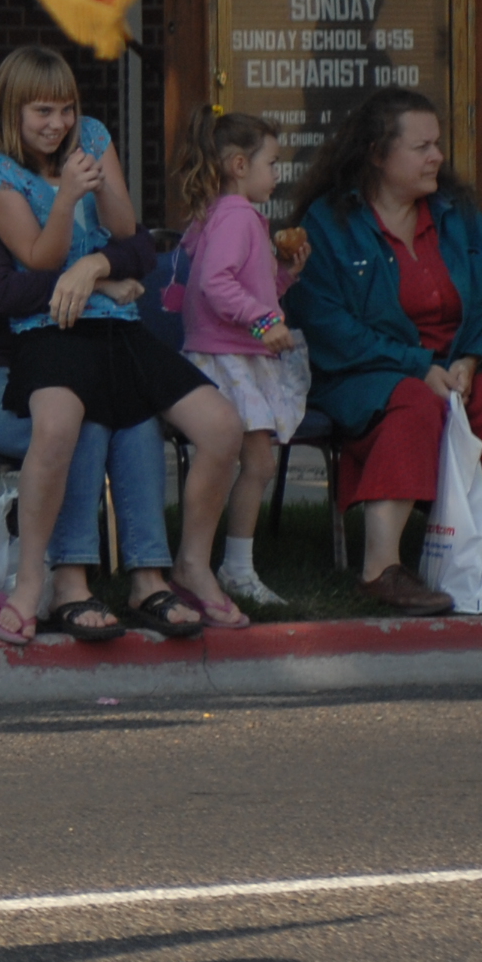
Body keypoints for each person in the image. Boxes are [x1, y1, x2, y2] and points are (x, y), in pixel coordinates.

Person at [0, 46, 249, 636]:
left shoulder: (90, 137)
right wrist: (68, 197)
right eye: (42, 111)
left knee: (222, 426)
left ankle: (192, 565)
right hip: (50, 327)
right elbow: (40, 259)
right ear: (14, 110)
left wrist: (98, 250)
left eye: (66, 109)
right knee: (61, 424)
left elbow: (127, 231)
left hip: (117, 323)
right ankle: (33, 581)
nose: (58, 124)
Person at [285, 88, 482, 613]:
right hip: (368, 370)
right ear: (377, 154)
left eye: (437, 144)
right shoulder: (328, 224)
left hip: (460, 363)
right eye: (421, 146)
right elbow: (328, 327)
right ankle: (381, 569)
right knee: (414, 404)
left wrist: (472, 358)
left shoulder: (460, 215)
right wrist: (419, 365)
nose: (437, 156)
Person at [0, 180, 182, 643]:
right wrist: (97, 283)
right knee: (79, 420)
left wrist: (96, 263)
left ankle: (148, 575)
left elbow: (141, 247)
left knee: (129, 409)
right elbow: (1, 292)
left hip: (49, 368)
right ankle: (68, 579)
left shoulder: (57, 195)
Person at [172, 106, 308, 610]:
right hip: (228, 357)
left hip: (235, 352)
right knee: (257, 463)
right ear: (237, 165)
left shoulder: (226, 214)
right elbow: (216, 284)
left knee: (256, 464)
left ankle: (232, 563)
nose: (279, 174)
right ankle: (235, 567)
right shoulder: (237, 216)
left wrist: (284, 277)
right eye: (272, 163)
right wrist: (263, 321)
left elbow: (246, 284)